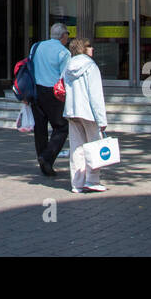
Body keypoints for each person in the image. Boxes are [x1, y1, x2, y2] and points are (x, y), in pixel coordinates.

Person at [62, 37, 109, 193]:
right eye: (89, 46)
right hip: (88, 112)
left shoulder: (68, 66)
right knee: (94, 145)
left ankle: (77, 183)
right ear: (83, 48)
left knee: (76, 148)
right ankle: (93, 180)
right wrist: (102, 119)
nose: (92, 49)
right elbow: (96, 95)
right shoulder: (91, 66)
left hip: (72, 110)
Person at [30, 23, 72, 178]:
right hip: (53, 93)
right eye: (67, 34)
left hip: (36, 91)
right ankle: (47, 157)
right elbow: (65, 77)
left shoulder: (36, 46)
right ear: (63, 36)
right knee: (61, 126)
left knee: (40, 128)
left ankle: (44, 163)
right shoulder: (63, 53)